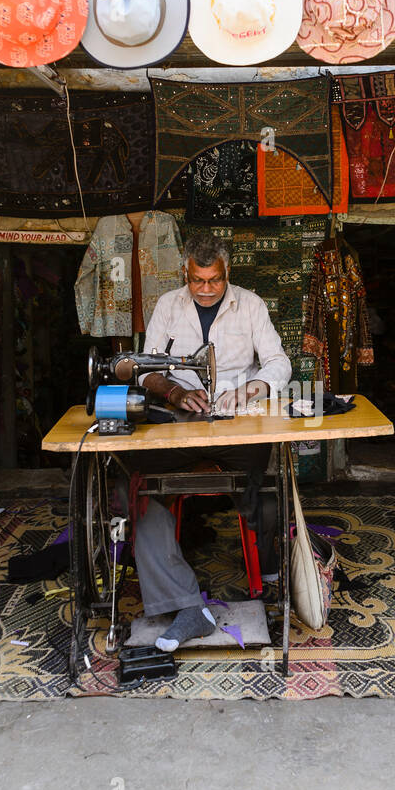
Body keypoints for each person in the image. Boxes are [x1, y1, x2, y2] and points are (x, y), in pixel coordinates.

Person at [125, 232, 292, 651]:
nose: (204, 289)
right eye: (197, 280)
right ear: (186, 272)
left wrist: (251, 389)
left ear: (226, 273)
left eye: (213, 281)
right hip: (181, 424)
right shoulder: (168, 306)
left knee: (263, 483)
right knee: (138, 485)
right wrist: (174, 393)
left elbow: (278, 363)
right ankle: (185, 604)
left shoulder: (250, 305)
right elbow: (145, 369)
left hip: (236, 425)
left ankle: (265, 561)